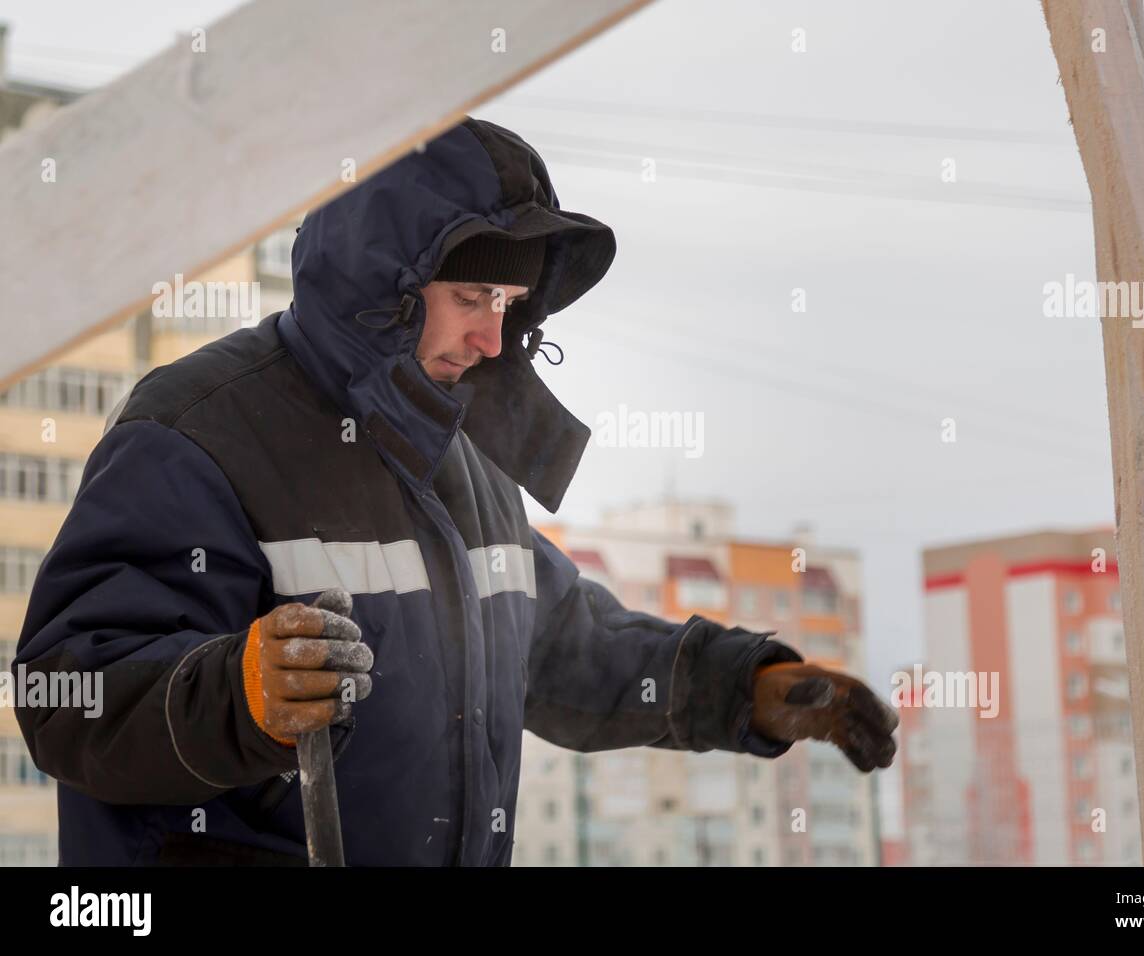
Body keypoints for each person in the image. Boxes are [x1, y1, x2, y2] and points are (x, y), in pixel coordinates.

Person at [13, 116, 898, 866]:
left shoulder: (458, 457)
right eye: (473, 294)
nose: (490, 335)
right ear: (385, 286)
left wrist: (742, 687)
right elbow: (65, 693)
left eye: (509, 302)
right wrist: (238, 695)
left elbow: (563, 648)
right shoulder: (197, 431)